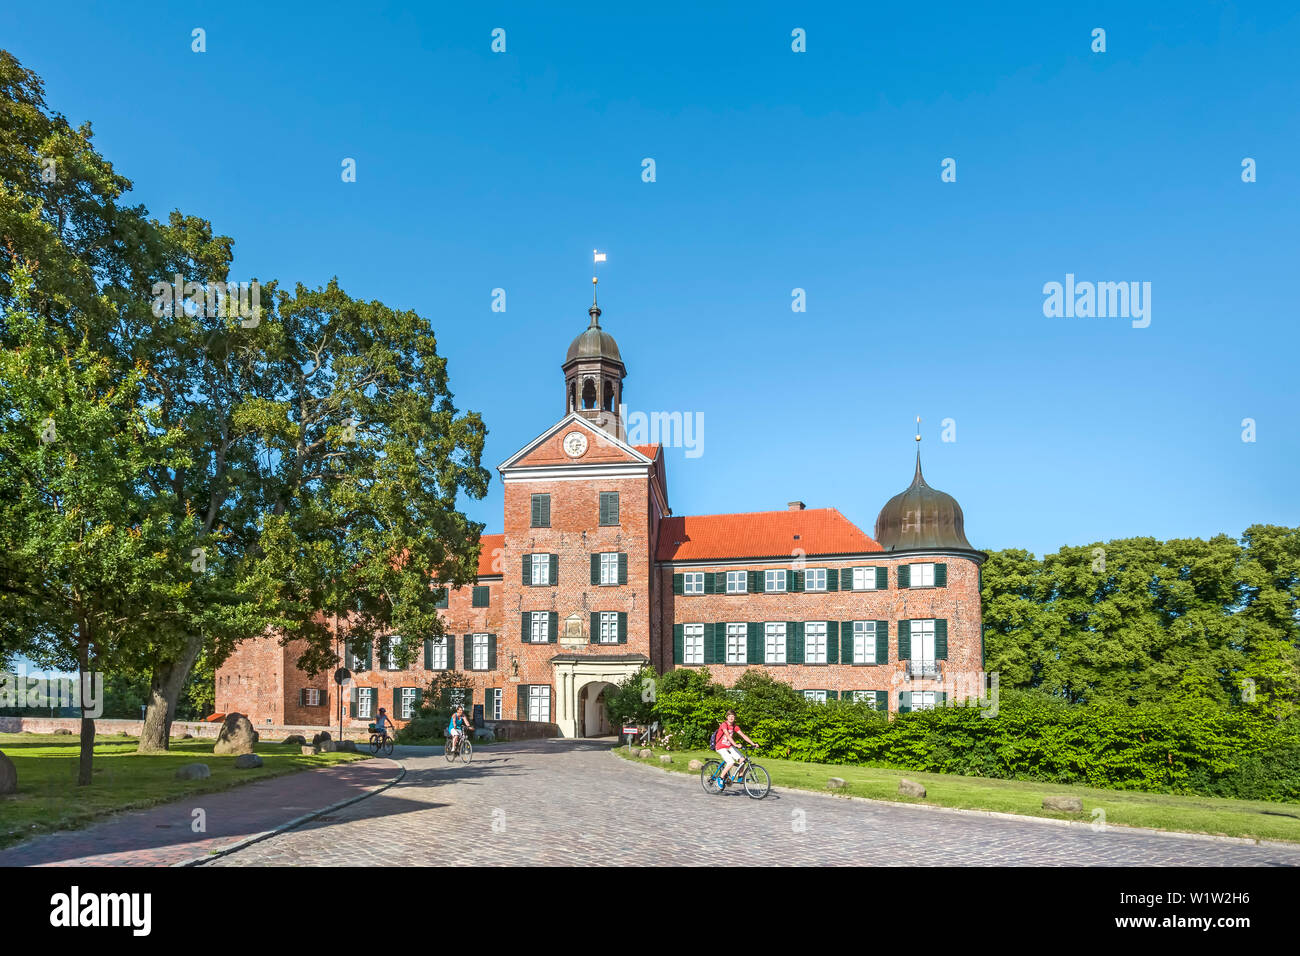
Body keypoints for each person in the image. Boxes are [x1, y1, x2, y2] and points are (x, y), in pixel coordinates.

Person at [713, 709, 754, 790]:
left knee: (742, 759)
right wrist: (735, 744)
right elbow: (727, 735)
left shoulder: (735, 726)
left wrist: (753, 743)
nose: (731, 718)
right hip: (721, 746)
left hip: (729, 746)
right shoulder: (724, 725)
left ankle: (740, 777)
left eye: (733, 716)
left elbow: (743, 735)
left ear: (735, 718)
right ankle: (720, 778)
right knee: (731, 762)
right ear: (727, 717)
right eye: (729, 716)